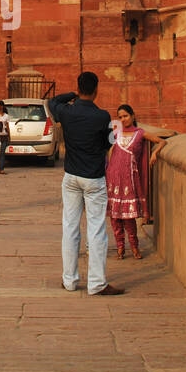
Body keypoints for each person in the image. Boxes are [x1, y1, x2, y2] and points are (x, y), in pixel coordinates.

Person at [47, 72, 124, 295]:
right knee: (96, 230)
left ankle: (69, 281)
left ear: (79, 89)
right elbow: (109, 142)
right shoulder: (102, 117)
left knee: (70, 228)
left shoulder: (67, 111)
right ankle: (97, 283)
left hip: (71, 176)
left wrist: (73, 94)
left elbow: (52, 102)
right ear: (96, 89)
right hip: (94, 178)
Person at [106, 104, 163, 259]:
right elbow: (107, 152)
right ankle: (120, 247)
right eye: (120, 117)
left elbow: (162, 141)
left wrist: (155, 153)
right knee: (115, 216)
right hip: (114, 178)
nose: (123, 119)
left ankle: (134, 247)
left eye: (125, 116)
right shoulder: (116, 133)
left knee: (128, 217)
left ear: (133, 116)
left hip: (129, 179)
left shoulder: (140, 133)